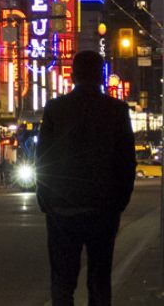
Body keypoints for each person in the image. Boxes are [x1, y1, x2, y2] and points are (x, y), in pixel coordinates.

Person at [37, 50, 135, 306]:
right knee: (100, 278)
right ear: (101, 76)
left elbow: (43, 158)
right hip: (103, 208)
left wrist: (45, 198)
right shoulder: (117, 110)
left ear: (72, 75)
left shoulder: (55, 108)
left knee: (62, 280)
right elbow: (126, 162)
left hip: (62, 207)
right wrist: (119, 201)